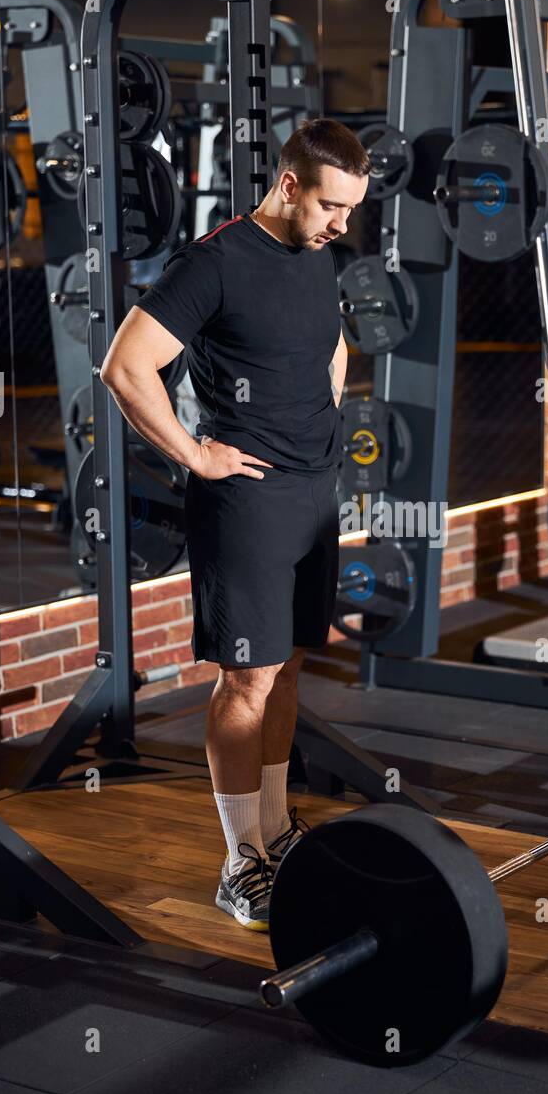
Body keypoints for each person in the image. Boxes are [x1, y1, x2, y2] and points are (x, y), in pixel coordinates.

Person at [101, 118, 370, 931]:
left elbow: (331, 348)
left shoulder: (320, 256)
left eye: (352, 210)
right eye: (330, 206)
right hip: (246, 498)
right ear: (288, 185)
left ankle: (278, 831)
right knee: (245, 679)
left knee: (286, 667)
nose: (340, 224)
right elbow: (125, 365)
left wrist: (324, 420)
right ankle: (237, 861)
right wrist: (195, 453)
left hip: (311, 492)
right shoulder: (213, 262)